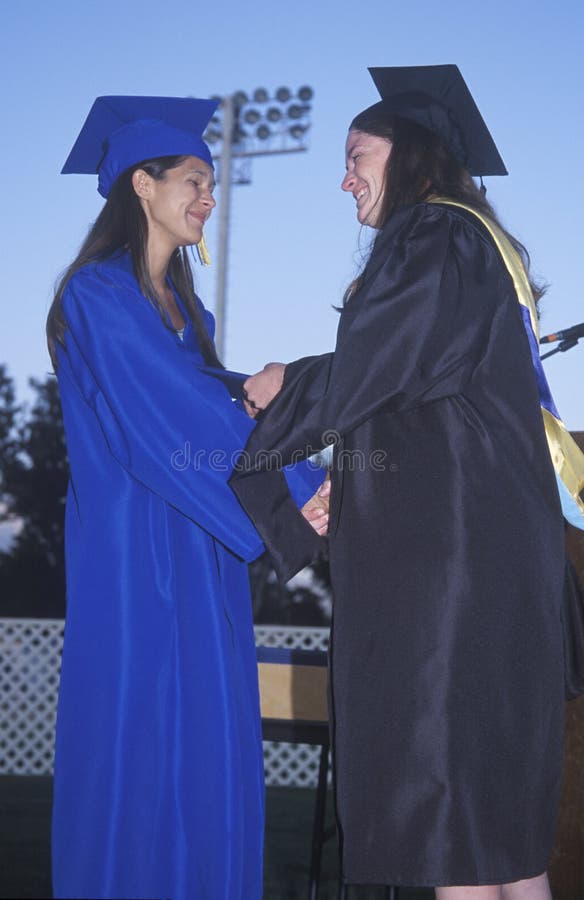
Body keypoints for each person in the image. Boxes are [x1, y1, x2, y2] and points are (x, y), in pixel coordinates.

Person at [231, 66, 584, 899]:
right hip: (485, 567)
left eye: (358, 153)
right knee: (501, 841)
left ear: (413, 152)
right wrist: (339, 484)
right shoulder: (466, 243)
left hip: (450, 586)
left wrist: (287, 390)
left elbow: (377, 367)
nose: (344, 175)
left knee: (450, 829)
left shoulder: (436, 236)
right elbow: (415, 401)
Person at [46, 95, 327, 900]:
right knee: (142, 737)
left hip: (200, 552)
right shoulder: (95, 296)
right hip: (137, 560)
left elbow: (212, 396)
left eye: (212, 183)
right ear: (142, 182)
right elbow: (169, 418)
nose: (209, 197)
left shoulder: (186, 309)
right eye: (196, 180)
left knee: (206, 738)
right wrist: (303, 486)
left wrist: (288, 403)